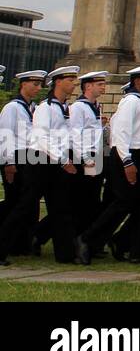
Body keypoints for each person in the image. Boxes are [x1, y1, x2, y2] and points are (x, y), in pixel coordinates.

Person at [76, 66, 140, 266]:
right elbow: (121, 133)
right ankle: (88, 239)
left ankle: (136, 248)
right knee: (123, 202)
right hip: (127, 153)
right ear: (136, 81)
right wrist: (127, 161)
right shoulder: (130, 102)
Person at [31, 66, 80, 263]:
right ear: (58, 82)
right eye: (70, 80)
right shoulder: (46, 108)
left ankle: (65, 254)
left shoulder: (64, 107)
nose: (74, 83)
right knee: (24, 206)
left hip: (57, 162)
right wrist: (63, 160)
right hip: (42, 161)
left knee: (62, 209)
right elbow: (42, 137)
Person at [0, 70, 45, 263]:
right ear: (23, 84)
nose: (38, 88)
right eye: (34, 84)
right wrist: (9, 162)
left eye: (40, 84)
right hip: (15, 157)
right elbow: (5, 135)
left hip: (29, 157)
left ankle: (19, 244)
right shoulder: (13, 107)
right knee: (15, 203)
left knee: (24, 204)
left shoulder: (32, 107)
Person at [69, 71, 108, 240]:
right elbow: (75, 134)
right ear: (88, 86)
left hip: (95, 154)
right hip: (85, 156)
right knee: (83, 199)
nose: (103, 87)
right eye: (100, 84)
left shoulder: (95, 106)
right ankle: (79, 236)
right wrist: (86, 159)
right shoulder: (79, 107)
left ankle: (87, 238)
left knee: (92, 198)